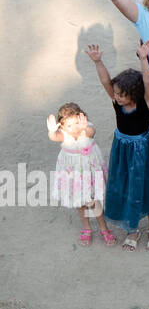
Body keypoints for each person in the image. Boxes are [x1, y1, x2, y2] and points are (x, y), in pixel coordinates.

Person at [93, 54, 149, 251]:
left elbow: (146, 80)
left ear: (134, 93)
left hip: (144, 149)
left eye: (120, 94)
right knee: (127, 185)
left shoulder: (145, 103)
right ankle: (133, 227)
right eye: (116, 93)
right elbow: (105, 81)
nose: (116, 96)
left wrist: (144, 58)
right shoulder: (117, 102)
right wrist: (98, 61)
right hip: (122, 149)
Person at [48, 100, 112, 246]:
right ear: (62, 126)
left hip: (89, 172)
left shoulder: (86, 128)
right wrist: (52, 130)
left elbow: (91, 133)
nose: (74, 128)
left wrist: (84, 128)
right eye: (69, 125)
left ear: (82, 119)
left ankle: (104, 228)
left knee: (94, 200)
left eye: (76, 123)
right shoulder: (63, 134)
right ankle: (86, 228)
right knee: (80, 202)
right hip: (73, 174)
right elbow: (54, 137)